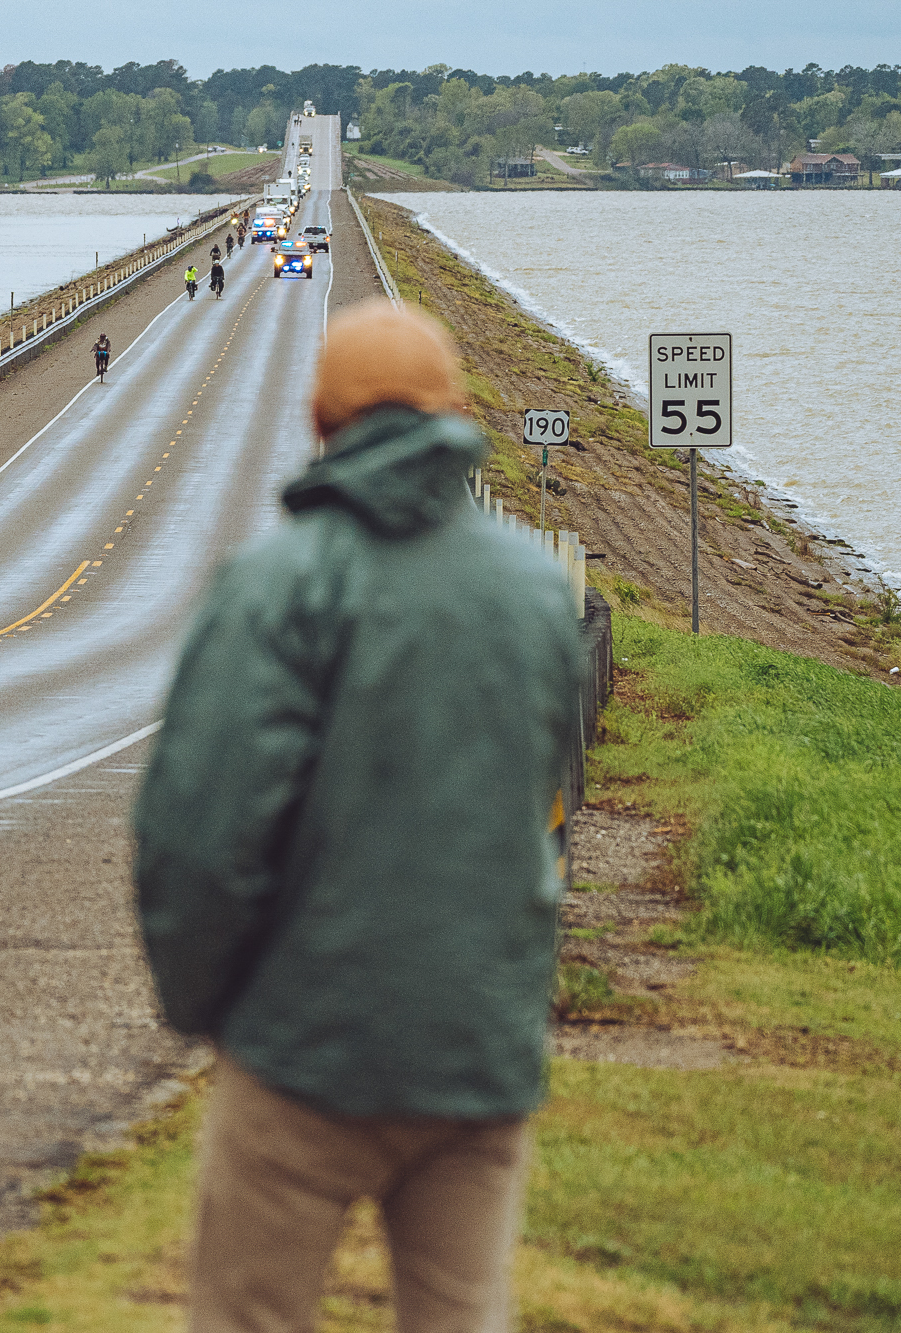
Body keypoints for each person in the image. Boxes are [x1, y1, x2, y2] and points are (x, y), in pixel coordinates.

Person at [132, 299, 584, 1333]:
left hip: (303, 1048)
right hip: (474, 1043)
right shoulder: (531, 586)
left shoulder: (274, 583)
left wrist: (207, 1007)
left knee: (250, 1311)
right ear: (456, 414)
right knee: (461, 1313)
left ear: (319, 418)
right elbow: (539, 802)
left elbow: (197, 836)